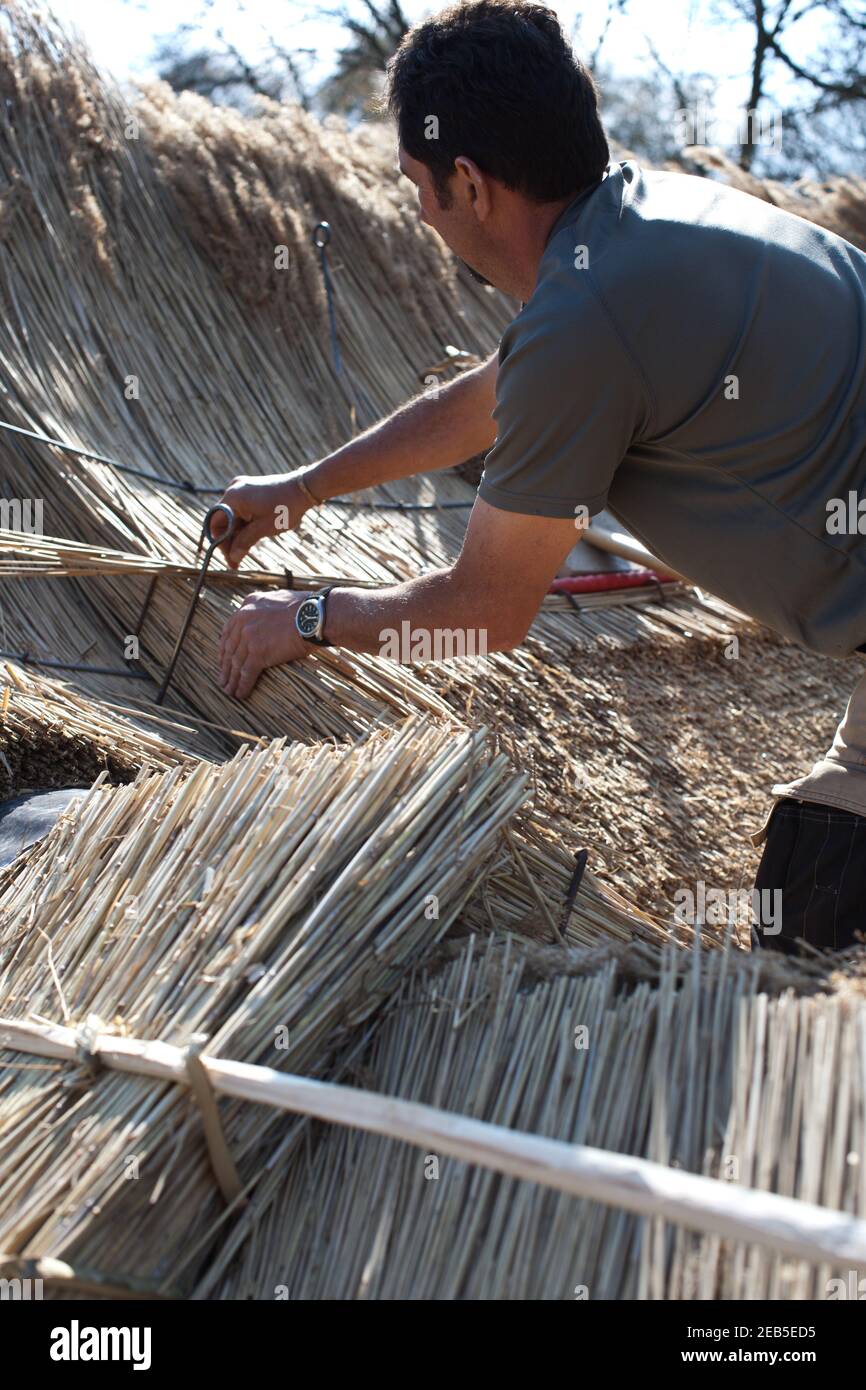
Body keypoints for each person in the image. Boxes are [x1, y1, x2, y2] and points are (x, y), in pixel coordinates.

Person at [214, 0, 866, 951]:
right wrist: (302, 487)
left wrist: (306, 619)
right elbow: (494, 393)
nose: (420, 211)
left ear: (468, 184)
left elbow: (485, 610)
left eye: (416, 184)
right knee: (821, 870)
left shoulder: (587, 319)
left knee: (803, 949)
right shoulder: (645, 217)